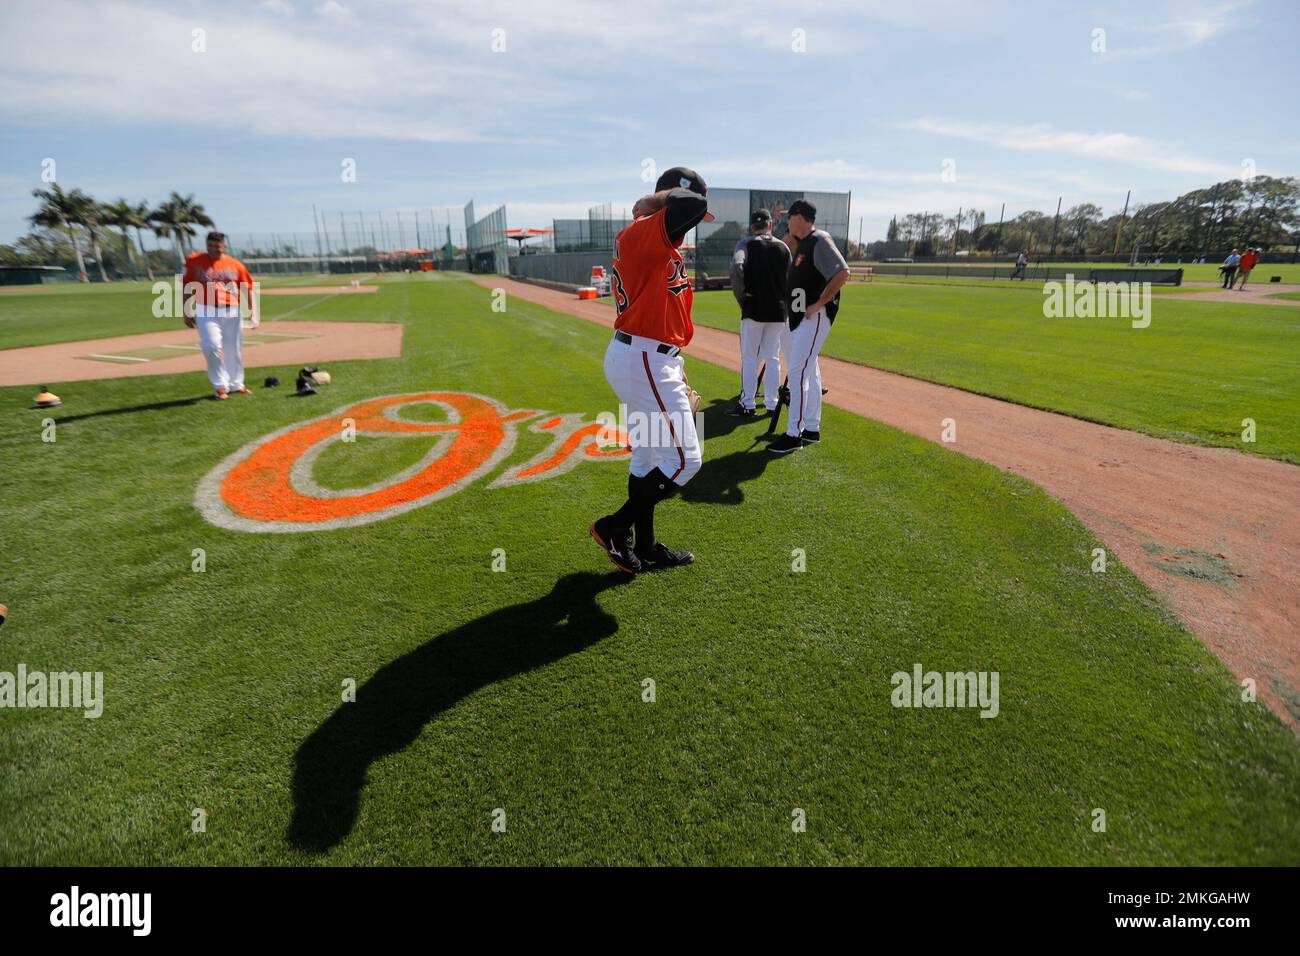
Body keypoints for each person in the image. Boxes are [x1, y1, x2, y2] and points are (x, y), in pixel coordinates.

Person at [591, 166, 713, 573]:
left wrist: (674, 363)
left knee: (647, 457)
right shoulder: (646, 229)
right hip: (643, 357)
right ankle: (615, 527)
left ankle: (644, 546)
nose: (694, 225)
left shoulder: (652, 237)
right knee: (685, 460)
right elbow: (691, 203)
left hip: (648, 356)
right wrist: (655, 200)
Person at [770, 199, 849, 454]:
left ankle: (794, 434)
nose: (787, 222)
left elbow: (842, 273)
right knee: (809, 372)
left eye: (789, 217)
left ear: (800, 216)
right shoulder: (803, 244)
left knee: (798, 372)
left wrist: (818, 303)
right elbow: (785, 245)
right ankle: (811, 429)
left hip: (813, 317)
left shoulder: (819, 239)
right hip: (800, 317)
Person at [728, 208, 791, 416]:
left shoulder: (745, 244)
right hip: (778, 311)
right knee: (772, 358)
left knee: (750, 358)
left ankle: (748, 403)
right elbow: (792, 278)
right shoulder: (783, 247)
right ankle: (772, 404)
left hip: (753, 309)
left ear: (752, 227)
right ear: (770, 225)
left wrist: (742, 297)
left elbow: (737, 266)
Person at [183, 232, 258, 400]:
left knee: (234, 349)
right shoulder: (194, 262)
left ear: (224, 246)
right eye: (209, 246)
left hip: (232, 309)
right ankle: (220, 386)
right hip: (206, 310)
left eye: (217, 246)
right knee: (211, 346)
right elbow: (187, 286)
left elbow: (247, 289)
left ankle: (236, 384)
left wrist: (254, 313)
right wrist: (186, 311)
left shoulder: (235, 264)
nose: (213, 249)